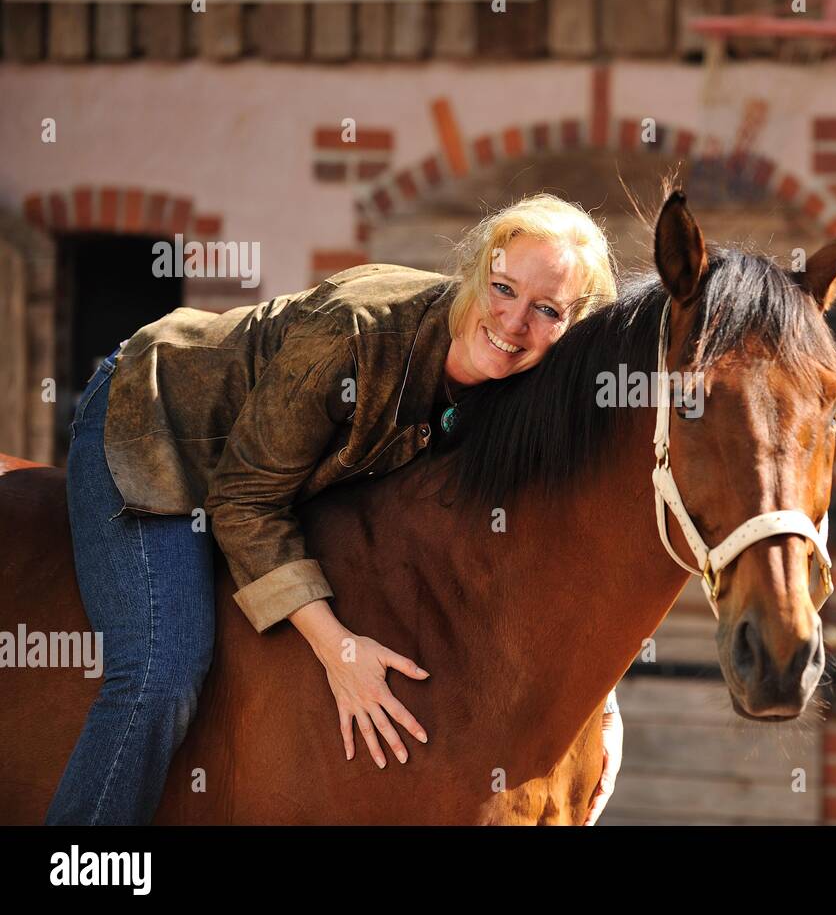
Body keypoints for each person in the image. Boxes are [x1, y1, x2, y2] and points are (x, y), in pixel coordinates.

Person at [47, 194, 623, 825]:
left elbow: (543, 547)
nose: (513, 322)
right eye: (502, 288)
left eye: (546, 309)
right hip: (157, 424)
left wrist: (600, 710)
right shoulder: (359, 331)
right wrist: (340, 651)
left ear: (573, 326)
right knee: (162, 671)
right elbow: (242, 499)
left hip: (287, 474)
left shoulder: (530, 382)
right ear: (475, 273)